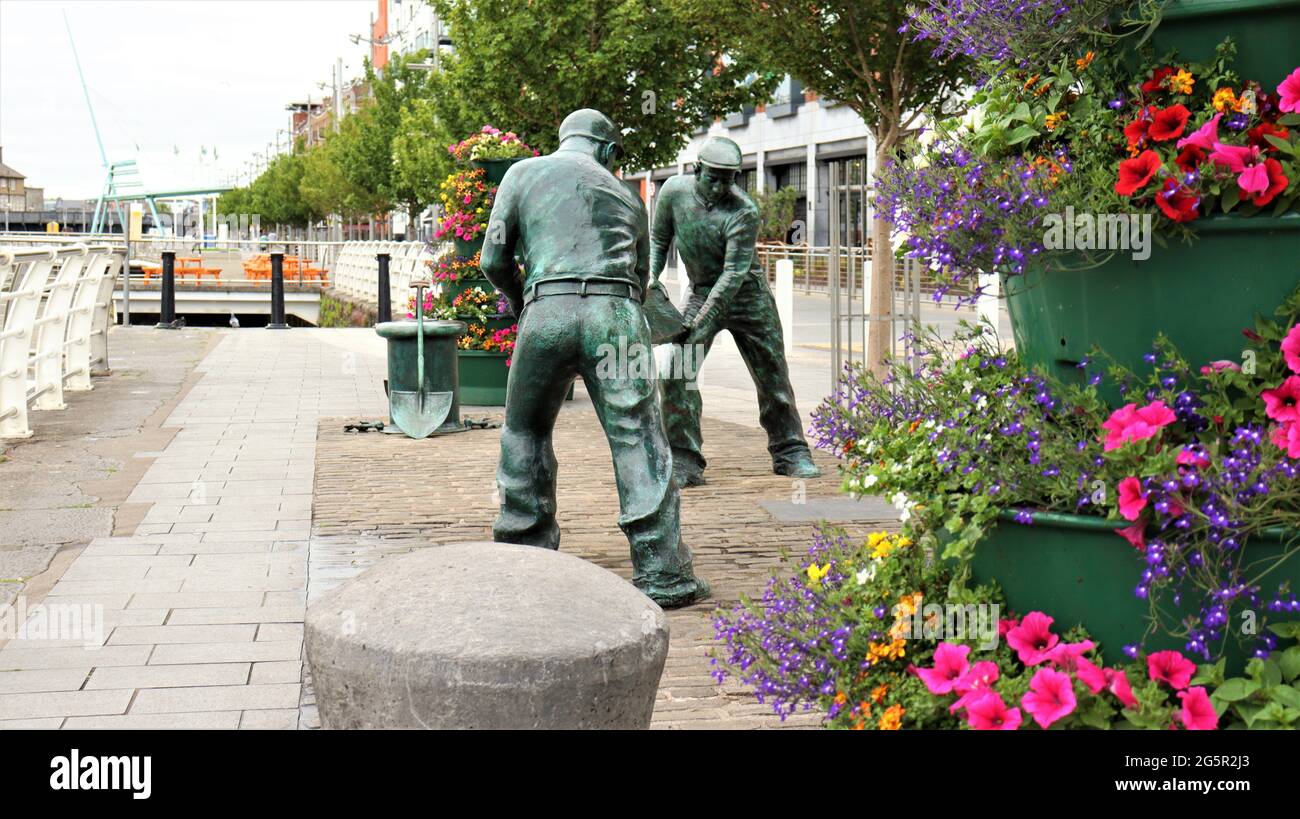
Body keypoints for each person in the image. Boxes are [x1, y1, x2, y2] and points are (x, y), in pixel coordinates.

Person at [479, 109, 710, 608]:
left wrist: (523, 304)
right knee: (639, 439)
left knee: (525, 428)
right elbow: (642, 276)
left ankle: (525, 546)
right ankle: (662, 570)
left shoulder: (521, 173)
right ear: (608, 151)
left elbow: (492, 260)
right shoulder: (629, 195)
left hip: (547, 310)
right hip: (617, 314)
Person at [650, 136, 820, 487]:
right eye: (712, 177)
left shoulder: (743, 211)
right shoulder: (672, 192)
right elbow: (658, 240)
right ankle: (684, 457)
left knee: (772, 375)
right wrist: (650, 280)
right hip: (701, 292)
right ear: (697, 169)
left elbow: (732, 275)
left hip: (748, 297)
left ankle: (791, 450)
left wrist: (700, 319)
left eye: (728, 179)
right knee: (679, 370)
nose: (719, 186)